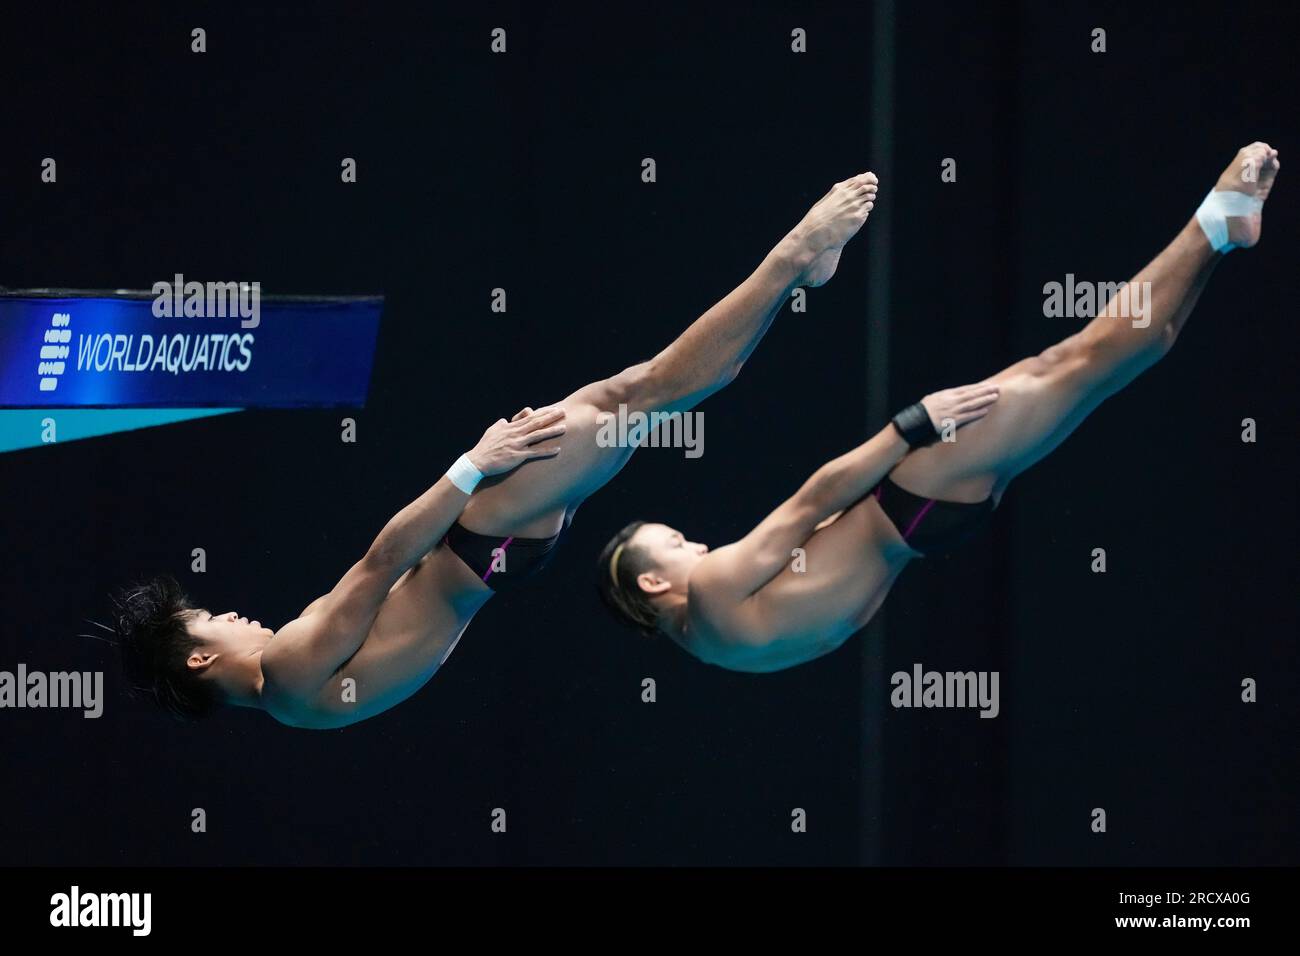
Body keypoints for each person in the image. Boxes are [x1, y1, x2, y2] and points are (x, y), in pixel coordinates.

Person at [113, 172, 883, 725]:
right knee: (639, 394)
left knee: (642, 397)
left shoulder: (300, 709)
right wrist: (477, 463)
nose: (236, 615)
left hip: (492, 561)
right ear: (199, 659)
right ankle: (792, 257)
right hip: (479, 540)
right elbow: (381, 564)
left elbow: (421, 635)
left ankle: (798, 277)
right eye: (212, 618)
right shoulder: (282, 670)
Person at [598, 143, 1279, 673]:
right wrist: (912, 425)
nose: (700, 543)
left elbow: (837, 600)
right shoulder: (713, 589)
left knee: (1102, 372)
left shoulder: (718, 650)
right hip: (910, 491)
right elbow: (811, 501)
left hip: (928, 524)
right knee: (1074, 362)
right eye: (679, 544)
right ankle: (1215, 221)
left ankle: (1222, 235)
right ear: (655, 581)